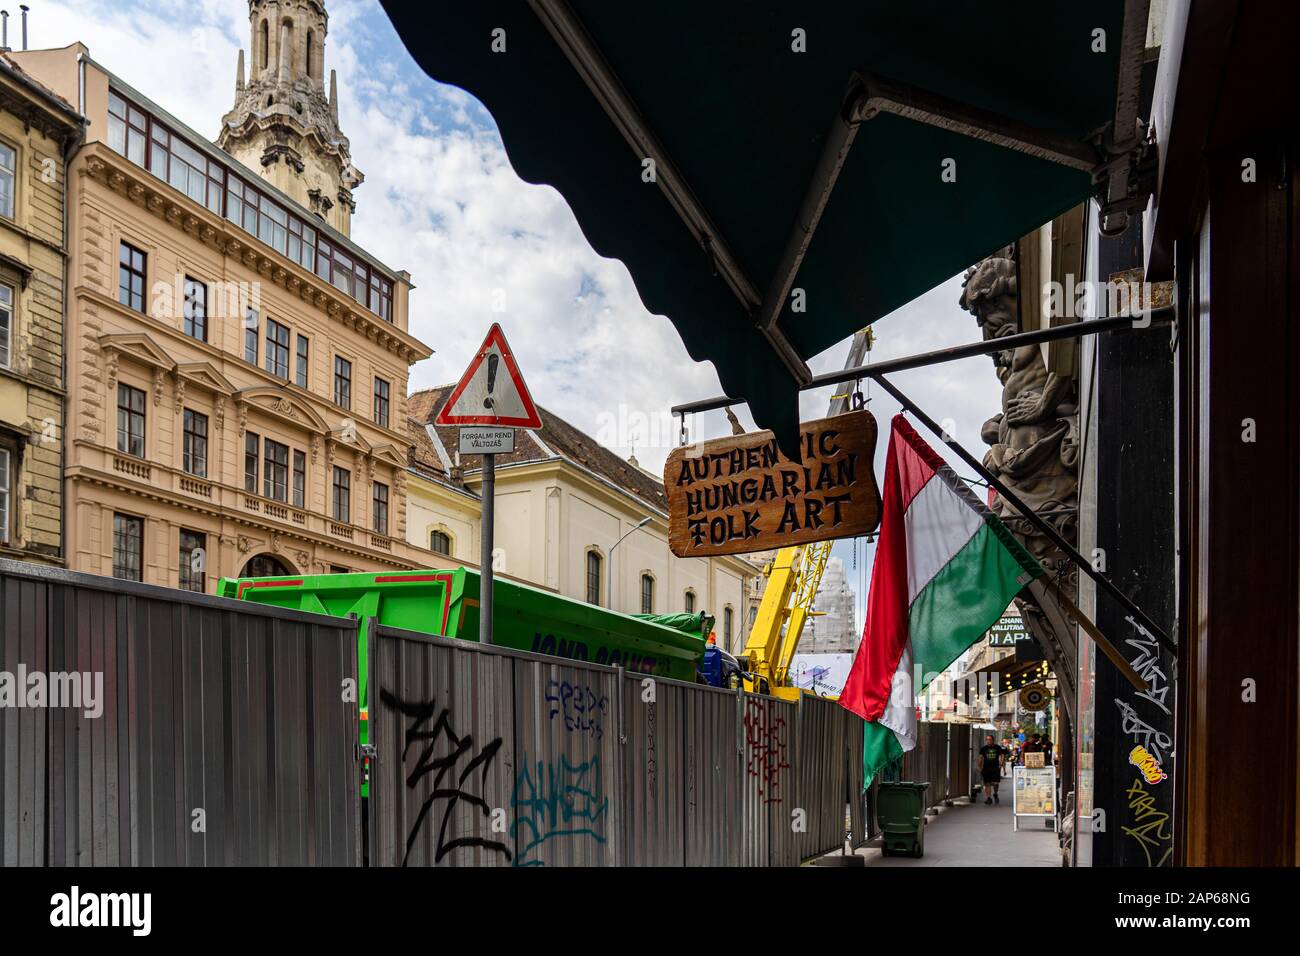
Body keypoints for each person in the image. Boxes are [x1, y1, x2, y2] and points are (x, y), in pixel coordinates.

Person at [977, 734, 1006, 804]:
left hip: (995, 768)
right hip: (986, 768)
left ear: (993, 740)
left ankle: (995, 793)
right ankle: (988, 798)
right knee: (987, 784)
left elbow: (1002, 755)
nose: (988, 741)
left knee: (996, 783)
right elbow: (980, 757)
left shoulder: (997, 747)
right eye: (987, 739)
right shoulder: (984, 748)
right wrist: (979, 766)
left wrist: (1001, 763)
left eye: (990, 739)